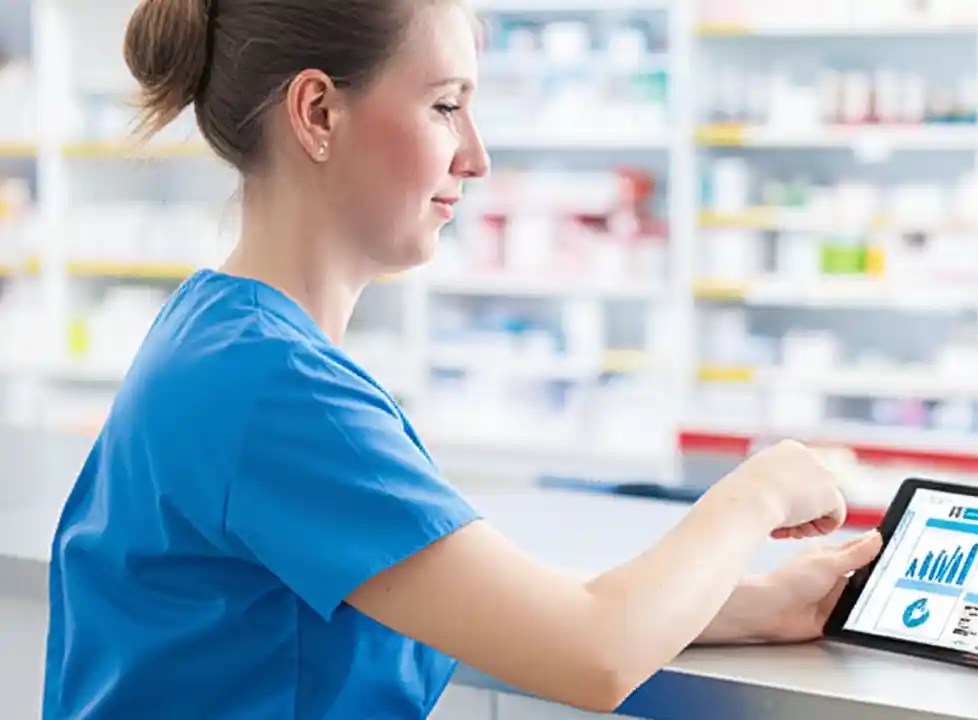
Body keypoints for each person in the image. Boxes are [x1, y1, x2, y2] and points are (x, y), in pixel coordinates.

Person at [41, 0, 883, 717]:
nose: (475, 157)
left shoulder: (221, 333)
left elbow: (473, 601)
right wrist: (756, 494)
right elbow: (592, 651)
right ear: (318, 115)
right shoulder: (274, 387)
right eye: (446, 106)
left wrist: (748, 606)